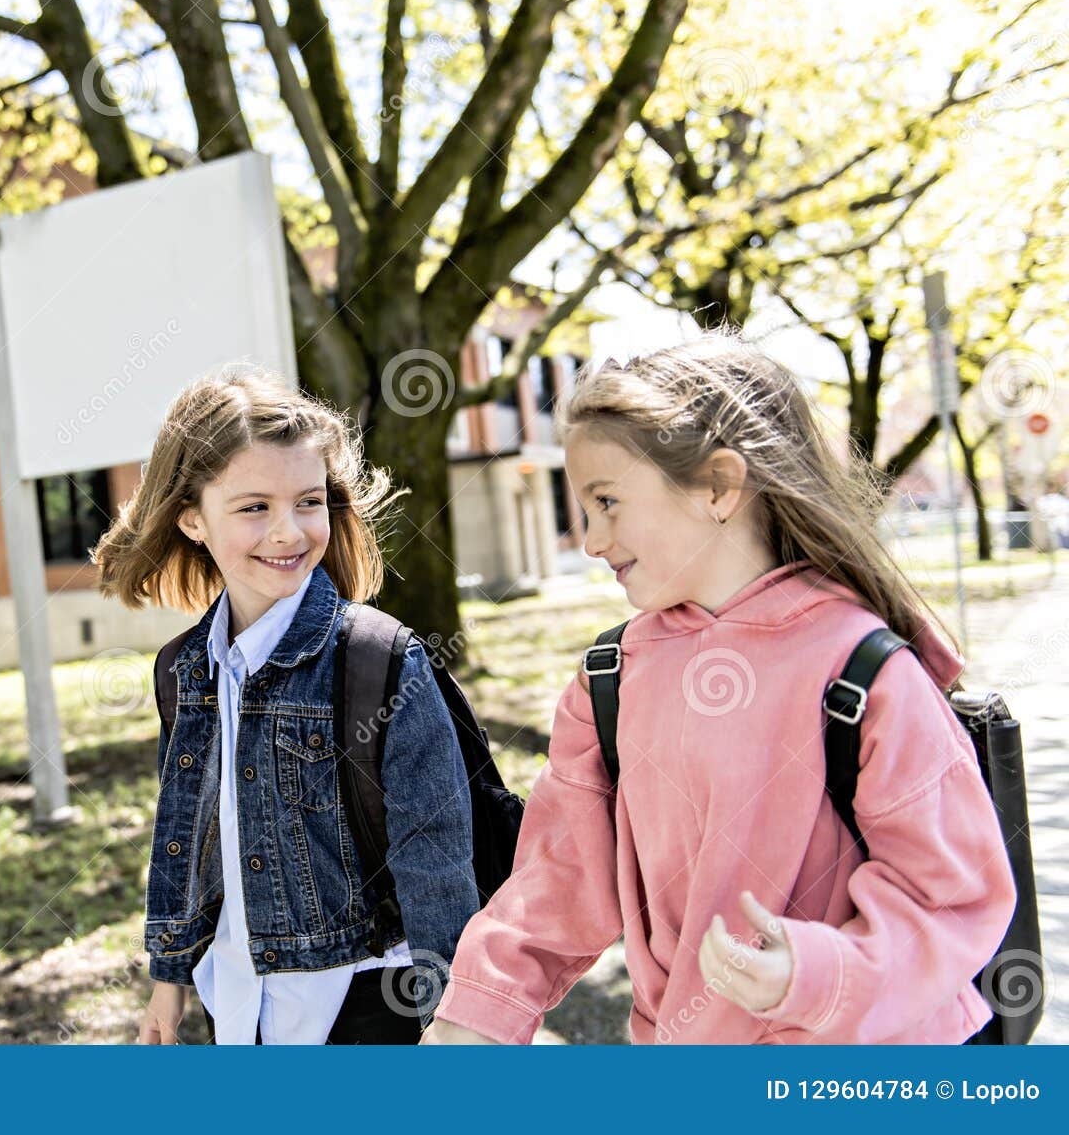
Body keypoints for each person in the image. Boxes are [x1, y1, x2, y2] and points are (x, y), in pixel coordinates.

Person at [423, 333, 1016, 1044]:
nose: (591, 539)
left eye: (608, 502)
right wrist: (480, 1012)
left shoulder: (864, 669)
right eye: (585, 509)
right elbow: (558, 881)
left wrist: (817, 973)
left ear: (718, 485)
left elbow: (952, 895)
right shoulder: (608, 679)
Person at [92, 367, 478, 1044]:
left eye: (308, 501)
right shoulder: (184, 670)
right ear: (192, 518)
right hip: (236, 1001)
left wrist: (458, 1017)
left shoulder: (381, 659)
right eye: (253, 507)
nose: (288, 531)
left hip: (366, 1004)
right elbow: (186, 837)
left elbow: (436, 859)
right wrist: (169, 974)